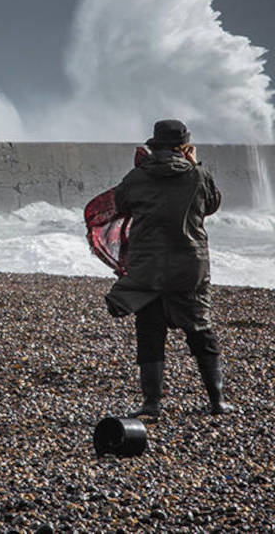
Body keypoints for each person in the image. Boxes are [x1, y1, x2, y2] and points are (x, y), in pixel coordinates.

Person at [106, 119, 235, 417]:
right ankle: (217, 401)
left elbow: (121, 203)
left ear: (154, 146)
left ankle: (152, 403)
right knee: (200, 330)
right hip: (189, 267)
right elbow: (212, 204)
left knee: (150, 332)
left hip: (147, 267)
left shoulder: (137, 177)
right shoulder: (198, 175)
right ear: (184, 147)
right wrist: (195, 164)